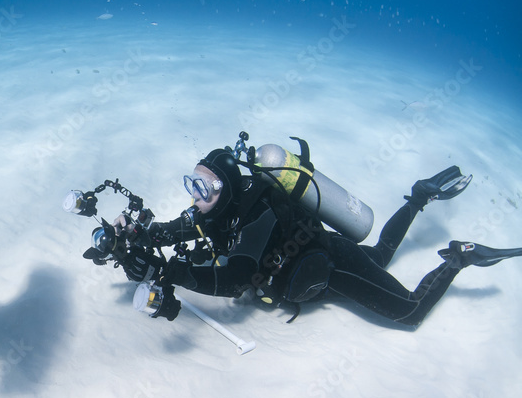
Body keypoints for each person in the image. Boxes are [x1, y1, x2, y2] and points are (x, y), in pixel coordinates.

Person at [87, 138, 522, 327]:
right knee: (380, 255)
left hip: (325, 265)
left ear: (227, 188)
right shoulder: (215, 210)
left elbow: (235, 279)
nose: (195, 195)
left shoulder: (257, 214)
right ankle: (417, 198)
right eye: (191, 183)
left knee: (408, 312)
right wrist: (136, 237)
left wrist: (177, 275)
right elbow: (171, 230)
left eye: (203, 187)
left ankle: (461, 255)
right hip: (305, 267)